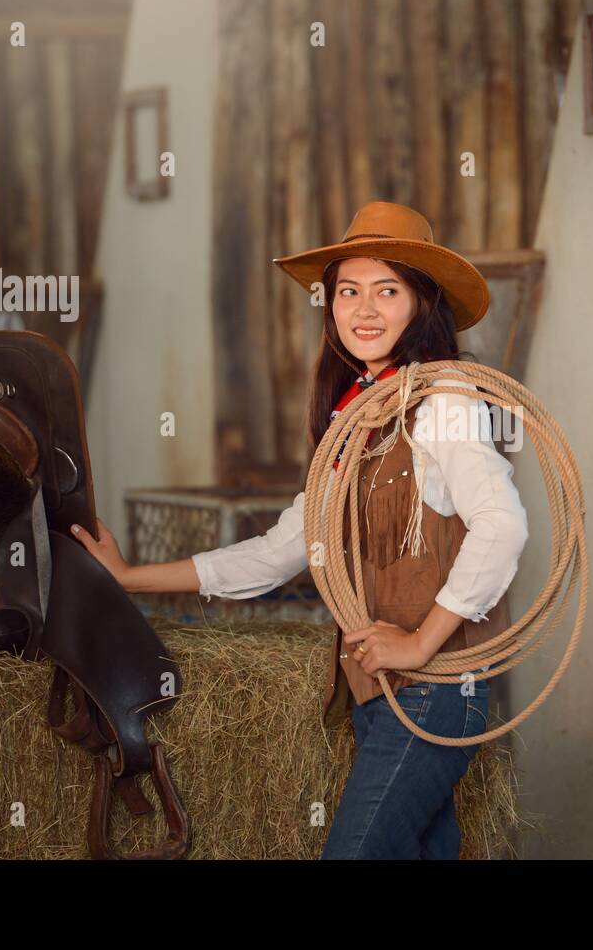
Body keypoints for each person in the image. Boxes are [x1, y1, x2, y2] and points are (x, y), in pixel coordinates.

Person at [71, 201, 529, 859]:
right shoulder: (356, 415)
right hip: (379, 697)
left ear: (423, 304)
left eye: (387, 291)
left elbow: (503, 525)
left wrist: (421, 641)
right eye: (348, 290)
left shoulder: (444, 397)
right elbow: (280, 551)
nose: (363, 309)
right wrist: (129, 576)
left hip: (432, 693)